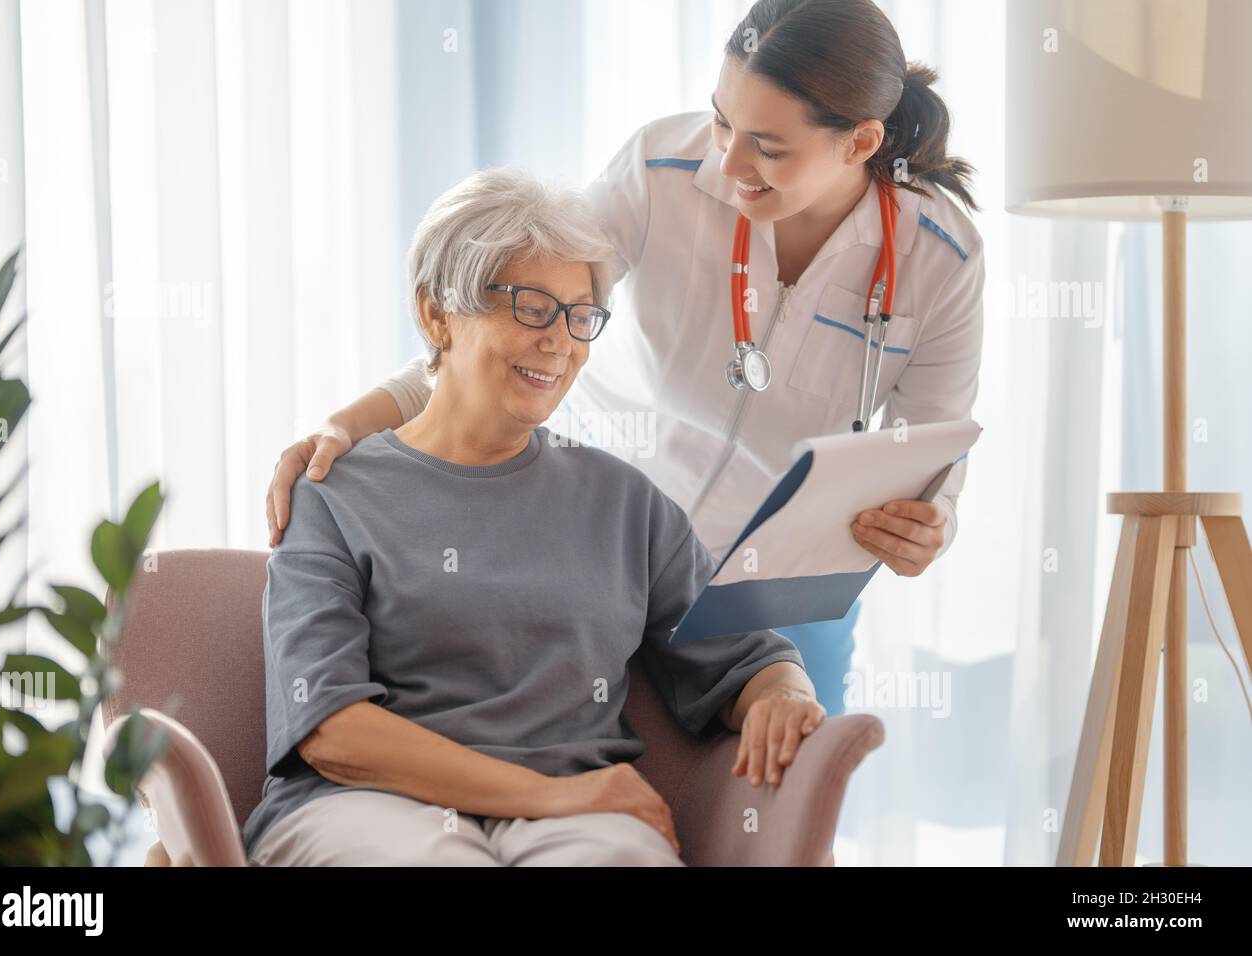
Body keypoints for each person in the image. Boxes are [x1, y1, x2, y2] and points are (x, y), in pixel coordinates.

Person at [265, 0, 985, 718]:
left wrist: (930, 523)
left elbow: (928, 449)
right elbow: (509, 321)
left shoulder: (940, 257)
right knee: (585, 768)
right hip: (598, 546)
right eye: (722, 119)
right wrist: (349, 424)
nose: (728, 161)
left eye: (767, 147)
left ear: (859, 143)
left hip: (780, 583)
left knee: (788, 802)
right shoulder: (661, 169)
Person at [244, 167, 820, 867]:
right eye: (530, 306)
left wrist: (783, 692)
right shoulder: (332, 494)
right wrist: (545, 796)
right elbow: (331, 729)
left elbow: (747, 659)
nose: (561, 342)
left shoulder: (624, 505)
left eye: (581, 315)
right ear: (436, 315)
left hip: (577, 819)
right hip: (365, 808)